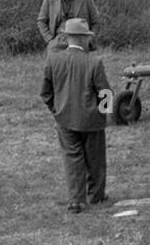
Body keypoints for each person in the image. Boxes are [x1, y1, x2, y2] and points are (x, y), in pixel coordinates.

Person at [40, 17, 111, 213]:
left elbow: (45, 91)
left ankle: (76, 200)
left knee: (72, 159)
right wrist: (104, 115)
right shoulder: (94, 62)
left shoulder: (53, 59)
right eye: (88, 37)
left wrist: (56, 109)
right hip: (91, 118)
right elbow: (105, 92)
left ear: (68, 37)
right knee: (95, 159)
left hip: (64, 117)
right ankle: (96, 195)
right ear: (82, 39)